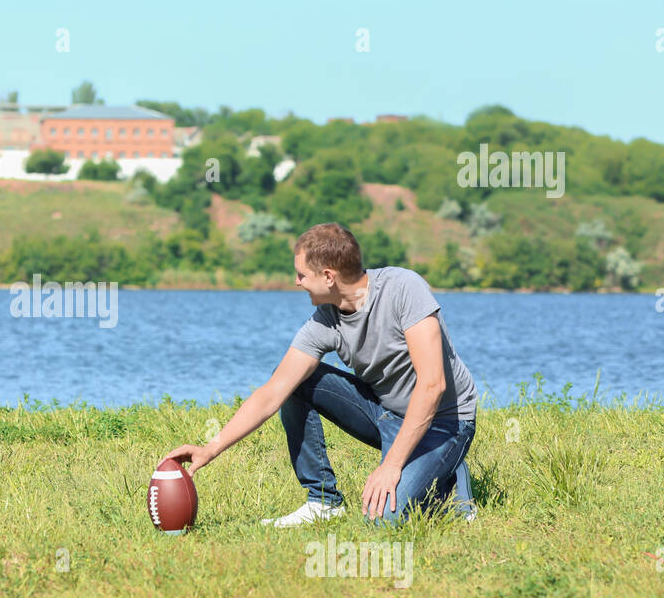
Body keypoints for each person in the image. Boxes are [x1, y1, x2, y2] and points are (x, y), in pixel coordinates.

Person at [164, 222, 478, 527]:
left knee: (384, 520)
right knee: (295, 383)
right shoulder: (324, 321)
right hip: (386, 413)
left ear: (328, 277)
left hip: (444, 421)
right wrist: (210, 448)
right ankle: (323, 501)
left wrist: (392, 466)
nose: (297, 282)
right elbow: (273, 392)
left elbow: (433, 385)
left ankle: (449, 475)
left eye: (302, 274)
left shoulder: (403, 289)